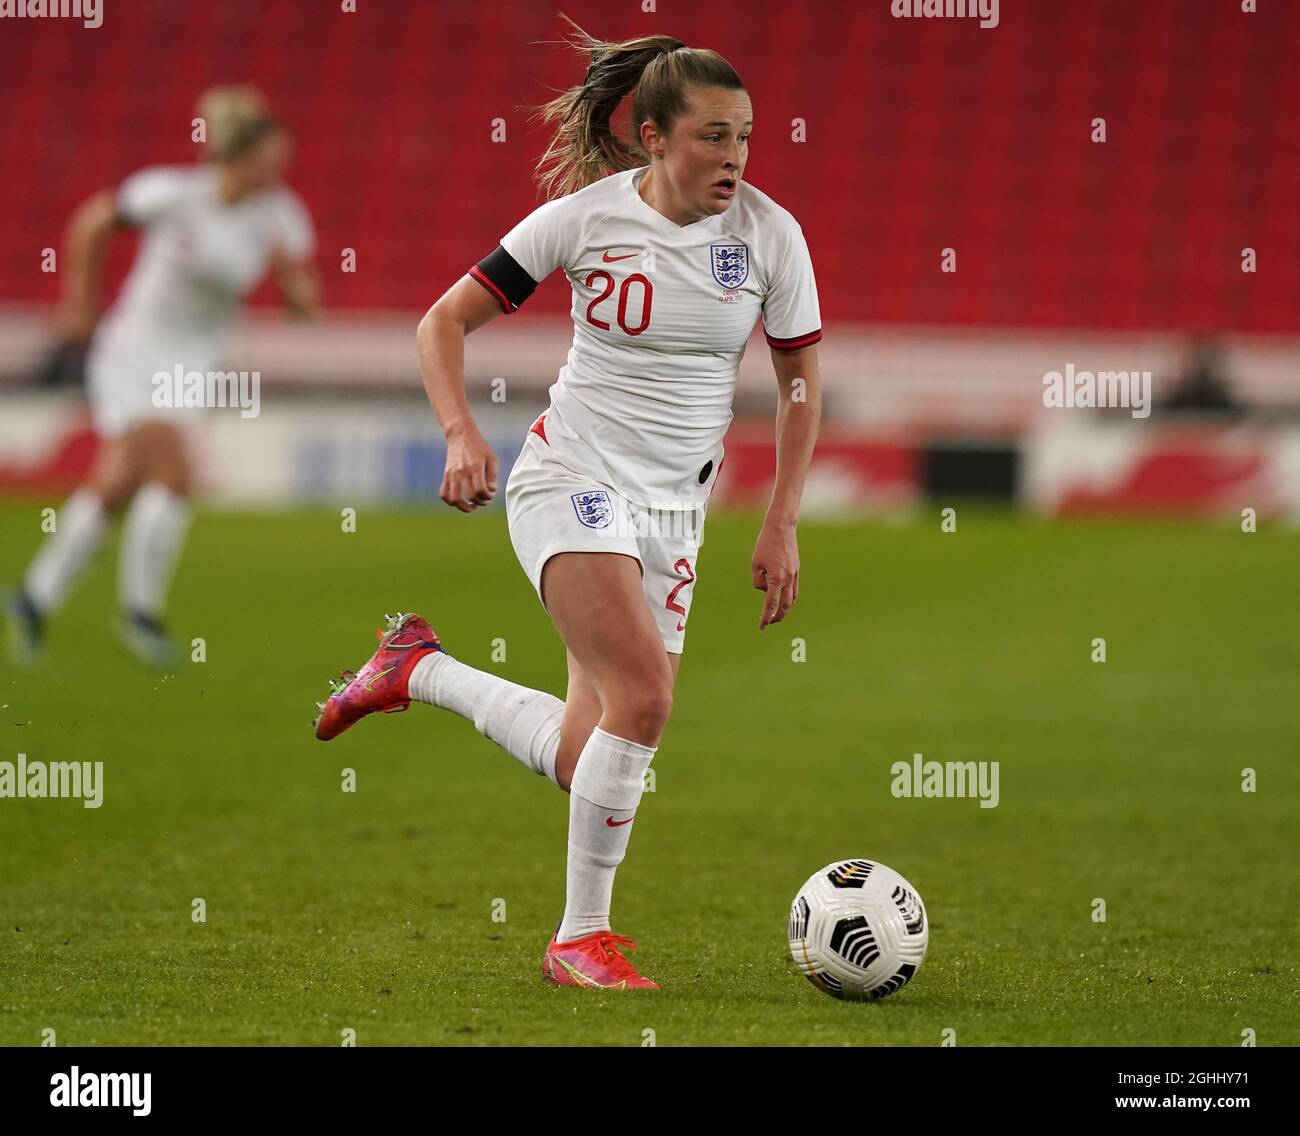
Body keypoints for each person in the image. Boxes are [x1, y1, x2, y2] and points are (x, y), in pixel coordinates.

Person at [314, 20, 822, 991]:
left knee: (591, 750)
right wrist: (463, 432)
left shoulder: (769, 235)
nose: (735, 156)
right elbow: (443, 320)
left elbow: (800, 381)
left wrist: (781, 516)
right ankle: (578, 938)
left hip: (674, 515)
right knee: (646, 699)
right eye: (713, 135)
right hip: (570, 480)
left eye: (745, 135)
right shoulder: (584, 219)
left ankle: (416, 668)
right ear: (655, 136)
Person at [4, 85, 319, 668]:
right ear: (239, 155)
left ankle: (33, 598)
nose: (278, 172)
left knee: (115, 487)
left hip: (193, 366)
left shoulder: (278, 216)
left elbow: (302, 293)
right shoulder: (173, 195)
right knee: (173, 475)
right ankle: (140, 614)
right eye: (270, 161)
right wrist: (78, 301)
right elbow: (93, 221)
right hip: (132, 353)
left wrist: (298, 291)